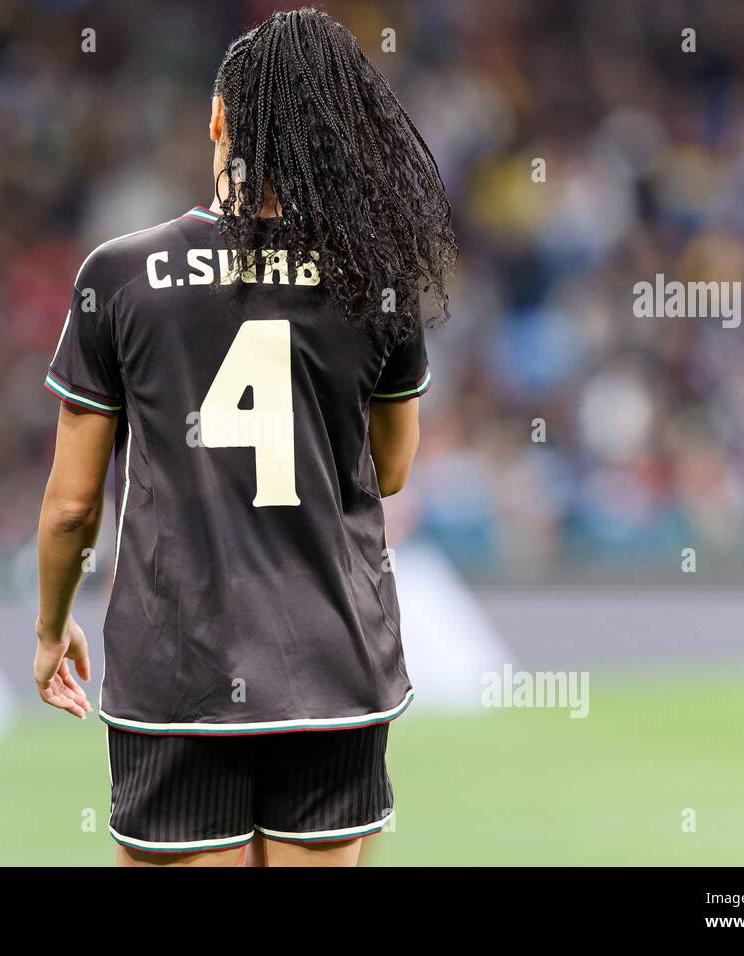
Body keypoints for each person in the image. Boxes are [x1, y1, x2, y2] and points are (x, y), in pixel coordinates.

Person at [33, 7, 457, 867]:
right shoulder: (372, 275)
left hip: (179, 667)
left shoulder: (120, 275)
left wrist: (51, 628)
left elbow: (75, 505)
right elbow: (394, 467)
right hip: (332, 665)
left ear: (220, 120)